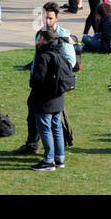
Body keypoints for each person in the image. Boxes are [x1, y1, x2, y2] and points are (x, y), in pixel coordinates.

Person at [16, 3, 77, 156]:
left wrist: (52, 72)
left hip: (53, 84)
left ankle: (53, 152)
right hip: (39, 82)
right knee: (33, 114)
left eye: (50, 18)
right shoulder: (40, 33)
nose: (47, 21)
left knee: (53, 119)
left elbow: (70, 60)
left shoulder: (63, 35)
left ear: (57, 18)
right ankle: (33, 144)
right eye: (44, 17)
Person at [27, 28, 72, 171]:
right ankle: (59, 158)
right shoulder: (60, 52)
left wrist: (32, 83)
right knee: (56, 127)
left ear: (45, 40)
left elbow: (38, 79)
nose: (38, 41)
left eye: (39, 39)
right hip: (58, 97)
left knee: (45, 128)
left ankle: (48, 161)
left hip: (44, 98)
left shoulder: (44, 56)